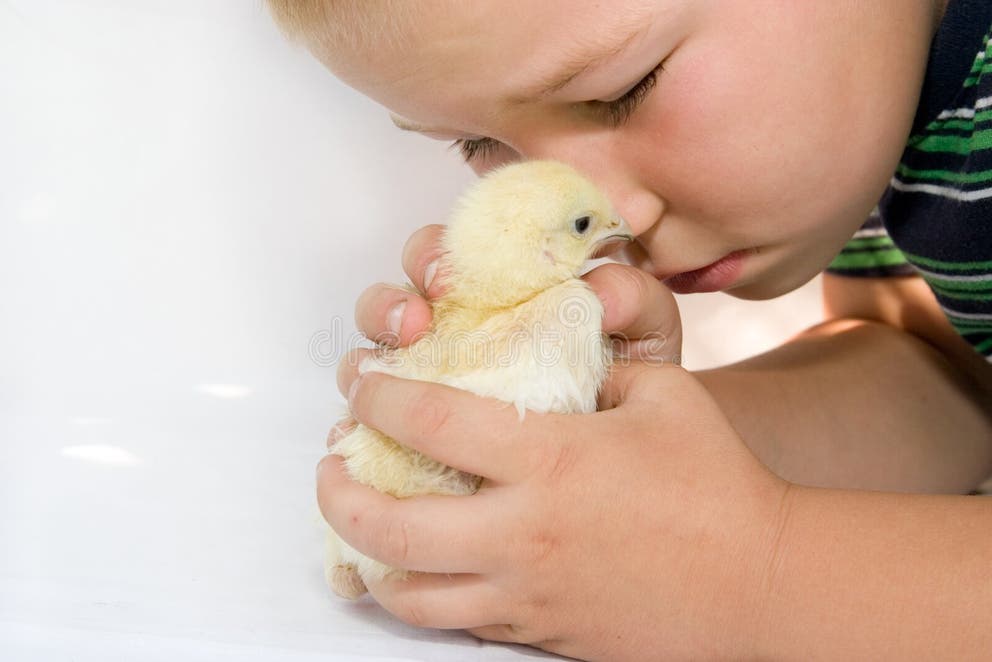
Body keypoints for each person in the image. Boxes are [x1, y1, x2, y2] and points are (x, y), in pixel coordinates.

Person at [268, 1, 992, 658]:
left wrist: (753, 573)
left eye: (626, 89)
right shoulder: (887, 121)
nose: (618, 215)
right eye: (478, 144)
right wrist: (619, 445)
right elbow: (955, 378)